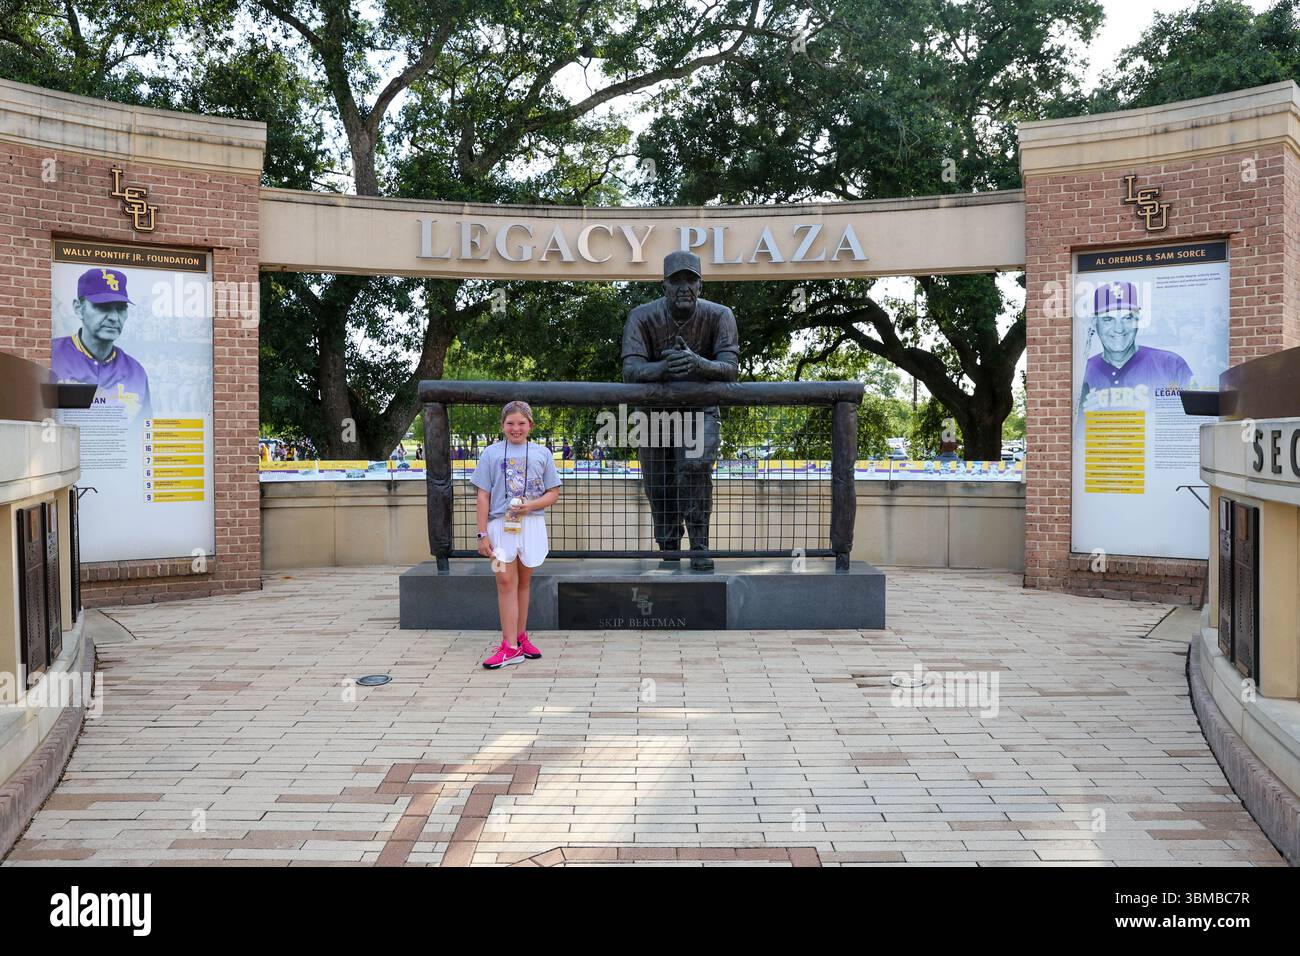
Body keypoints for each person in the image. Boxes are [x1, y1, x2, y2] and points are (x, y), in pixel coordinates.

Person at [621, 250, 739, 571]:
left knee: (696, 468)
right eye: (677, 281)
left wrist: (698, 362)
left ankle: (699, 545)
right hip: (655, 412)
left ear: (700, 285)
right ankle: (669, 548)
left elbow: (730, 368)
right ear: (664, 285)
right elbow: (631, 370)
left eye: (691, 280)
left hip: (700, 409)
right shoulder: (642, 316)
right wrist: (664, 366)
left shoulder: (720, 315)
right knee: (658, 483)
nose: (684, 287)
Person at [472, 401, 562, 669]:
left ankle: (520, 638)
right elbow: (483, 495)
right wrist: (481, 534)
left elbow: (553, 492)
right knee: (504, 583)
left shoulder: (542, 453)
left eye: (521, 423)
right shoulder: (490, 454)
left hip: (531, 525)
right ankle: (509, 646)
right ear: (502, 425)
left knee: (523, 583)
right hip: (500, 527)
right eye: (510, 423)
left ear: (530, 425)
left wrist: (529, 506)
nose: (516, 428)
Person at [51, 266, 152, 423]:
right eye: (103, 307)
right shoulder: (51, 355)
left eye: (120, 309)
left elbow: (143, 436)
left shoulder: (136, 372)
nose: (113, 317)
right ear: (78, 309)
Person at [1079, 281, 1193, 412]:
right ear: (1094, 323)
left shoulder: (1171, 365)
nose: (1119, 329)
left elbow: (1192, 419)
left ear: (1138, 320)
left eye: (1127, 318)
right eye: (1108, 319)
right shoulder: (1082, 372)